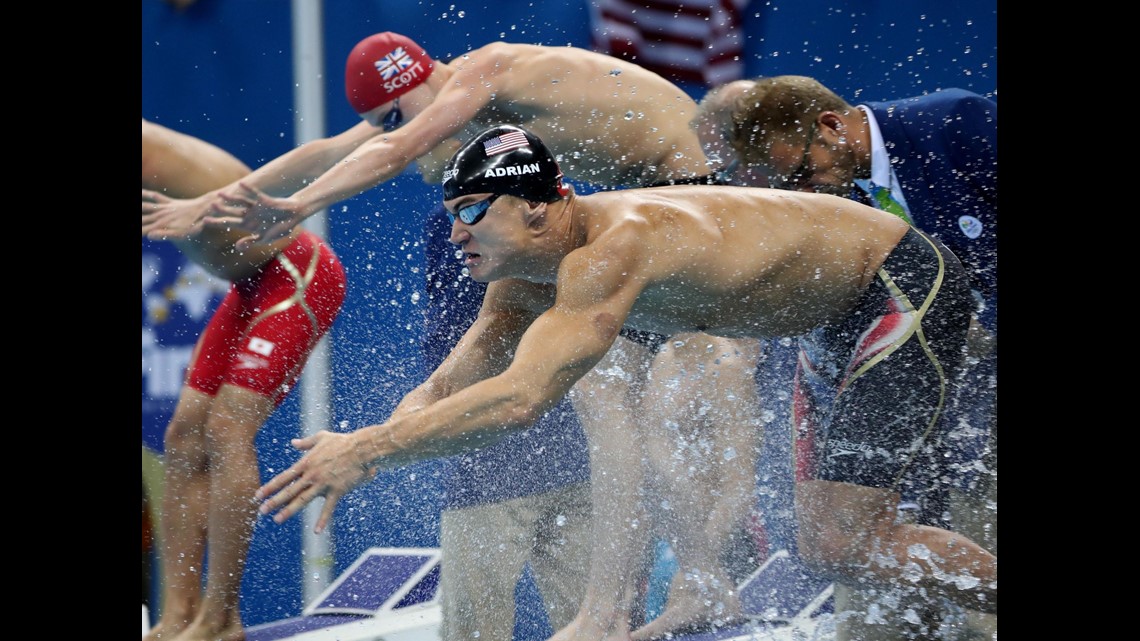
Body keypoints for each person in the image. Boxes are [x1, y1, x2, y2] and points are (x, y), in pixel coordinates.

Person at [254, 124, 998, 641]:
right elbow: (456, 379)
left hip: (897, 288)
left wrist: (374, 449)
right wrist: (370, 441)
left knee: (841, 541)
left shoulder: (613, 246)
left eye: (471, 211)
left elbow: (521, 398)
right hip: (831, 320)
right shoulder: (526, 272)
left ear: (543, 207)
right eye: (450, 214)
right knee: (829, 542)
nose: (455, 234)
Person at [139, 31, 765, 637]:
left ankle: (651, 596)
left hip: (690, 190)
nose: (400, 137)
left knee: (648, 400)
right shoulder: (451, 97)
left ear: (415, 86)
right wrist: (220, 198)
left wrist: (303, 206)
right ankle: (693, 580)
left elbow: (394, 149)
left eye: (394, 117)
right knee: (636, 400)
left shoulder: (480, 75)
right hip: (666, 191)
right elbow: (333, 149)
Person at [721, 76, 998, 638]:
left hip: (980, 383)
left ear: (829, 125)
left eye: (802, 173)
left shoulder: (957, 123)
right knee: (869, 556)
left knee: (981, 523)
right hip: (917, 386)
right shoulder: (833, 195)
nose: (805, 191)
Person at [141, 119, 347, 641]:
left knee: (227, 429)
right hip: (249, 285)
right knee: (183, 437)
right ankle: (178, 617)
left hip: (295, 273)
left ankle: (223, 616)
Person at [421, 201, 594, 640]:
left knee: (596, 625)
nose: (462, 233)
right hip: (509, 466)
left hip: (555, 466)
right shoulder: (456, 230)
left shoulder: (573, 227)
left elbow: (453, 354)